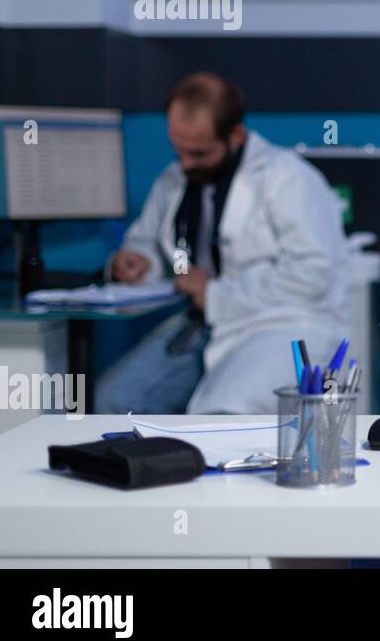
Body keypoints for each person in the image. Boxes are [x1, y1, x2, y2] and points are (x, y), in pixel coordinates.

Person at [97, 73, 350, 414]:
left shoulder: (287, 179)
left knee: (223, 414)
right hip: (202, 324)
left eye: (198, 153)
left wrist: (215, 292)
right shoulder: (175, 179)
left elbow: (311, 274)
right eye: (178, 150)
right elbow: (155, 246)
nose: (185, 164)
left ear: (235, 135)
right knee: (115, 400)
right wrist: (136, 260)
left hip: (278, 322)